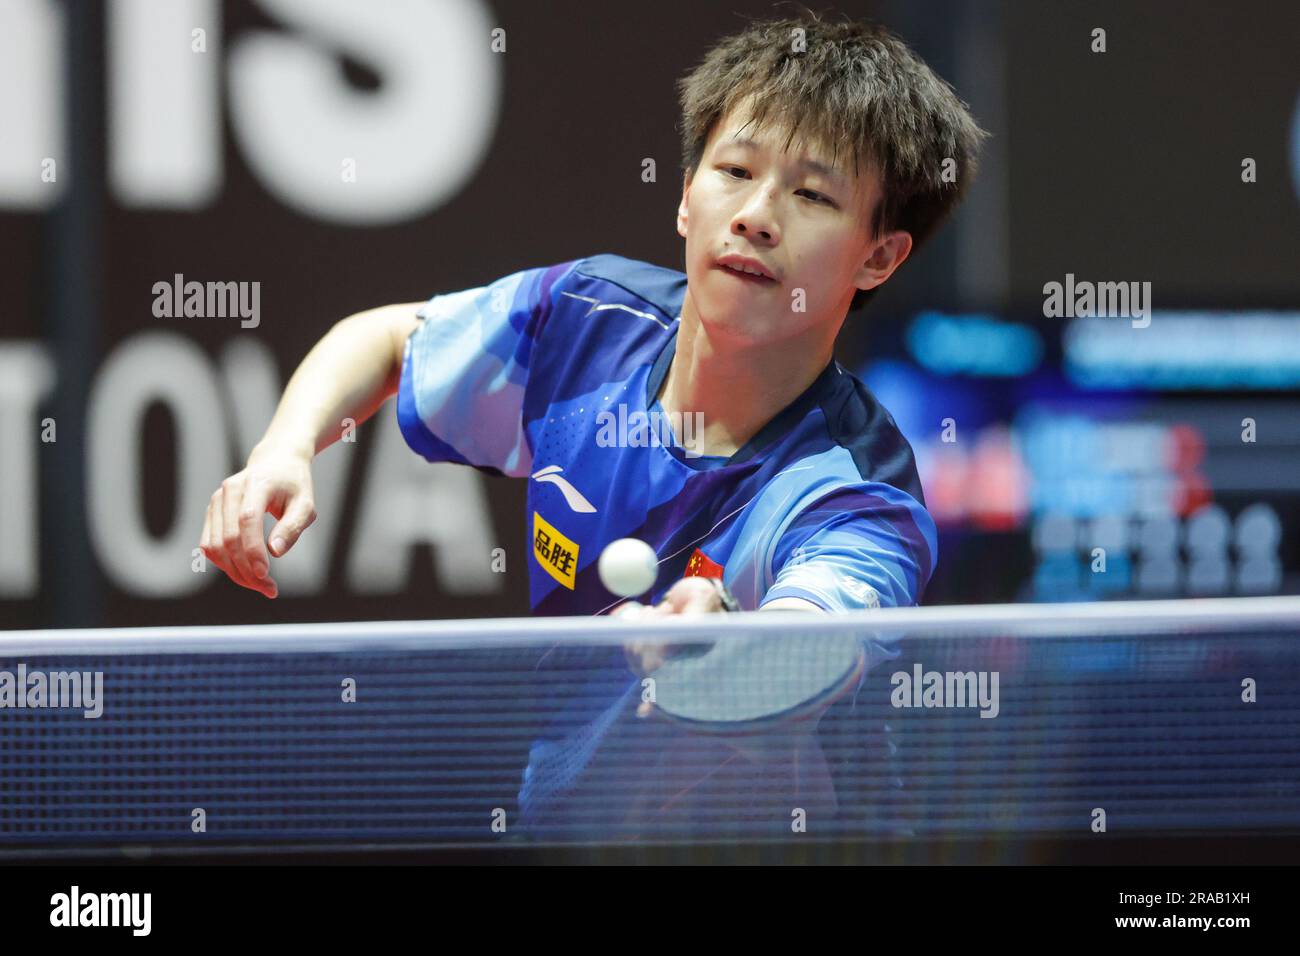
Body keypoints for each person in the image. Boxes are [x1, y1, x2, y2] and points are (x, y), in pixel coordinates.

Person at [198, 11, 987, 835]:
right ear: (686, 197)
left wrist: (726, 641)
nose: (755, 215)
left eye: (813, 194)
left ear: (879, 257)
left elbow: (819, 643)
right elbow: (392, 340)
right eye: (734, 170)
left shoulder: (856, 494)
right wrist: (283, 448)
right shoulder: (587, 322)